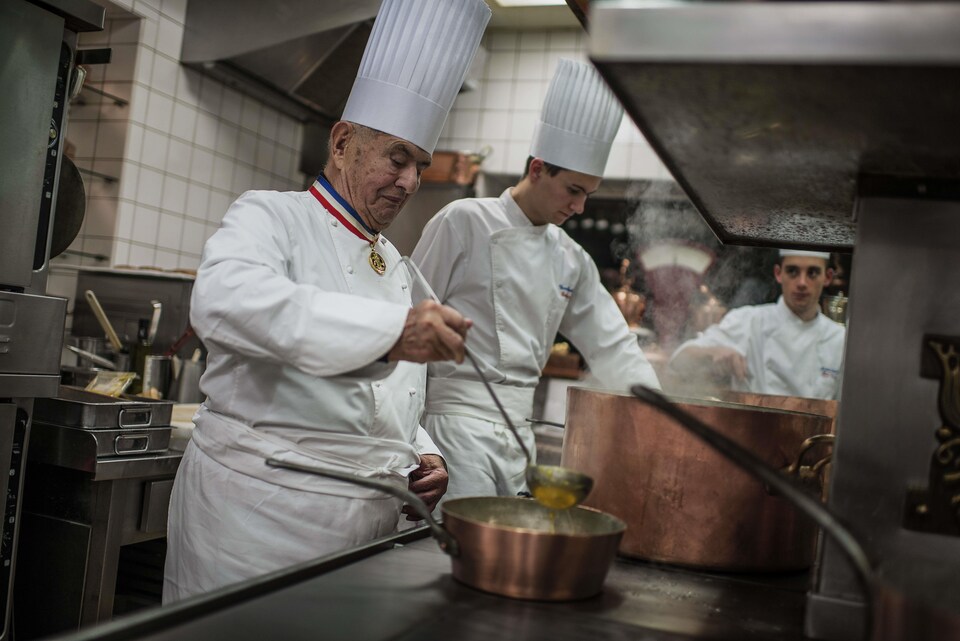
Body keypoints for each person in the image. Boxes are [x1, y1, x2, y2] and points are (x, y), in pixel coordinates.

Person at [163, 0, 491, 602]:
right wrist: (391, 333)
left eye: (419, 165)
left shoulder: (398, 264)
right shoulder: (271, 216)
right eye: (398, 158)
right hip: (257, 523)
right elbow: (227, 302)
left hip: (365, 530)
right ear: (342, 143)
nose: (410, 182)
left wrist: (423, 452)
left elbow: (385, 401)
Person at [410, 59, 662, 501]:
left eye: (589, 194)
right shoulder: (463, 220)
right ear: (538, 168)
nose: (580, 207)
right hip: (452, 431)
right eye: (574, 190)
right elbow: (409, 322)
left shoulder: (571, 259)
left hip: (518, 438)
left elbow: (612, 346)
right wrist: (410, 437)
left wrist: (662, 410)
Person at [668, 249, 846, 400]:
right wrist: (712, 353)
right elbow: (679, 360)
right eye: (792, 271)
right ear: (778, 273)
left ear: (828, 277)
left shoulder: (840, 339)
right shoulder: (748, 320)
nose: (801, 282)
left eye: (812, 273)